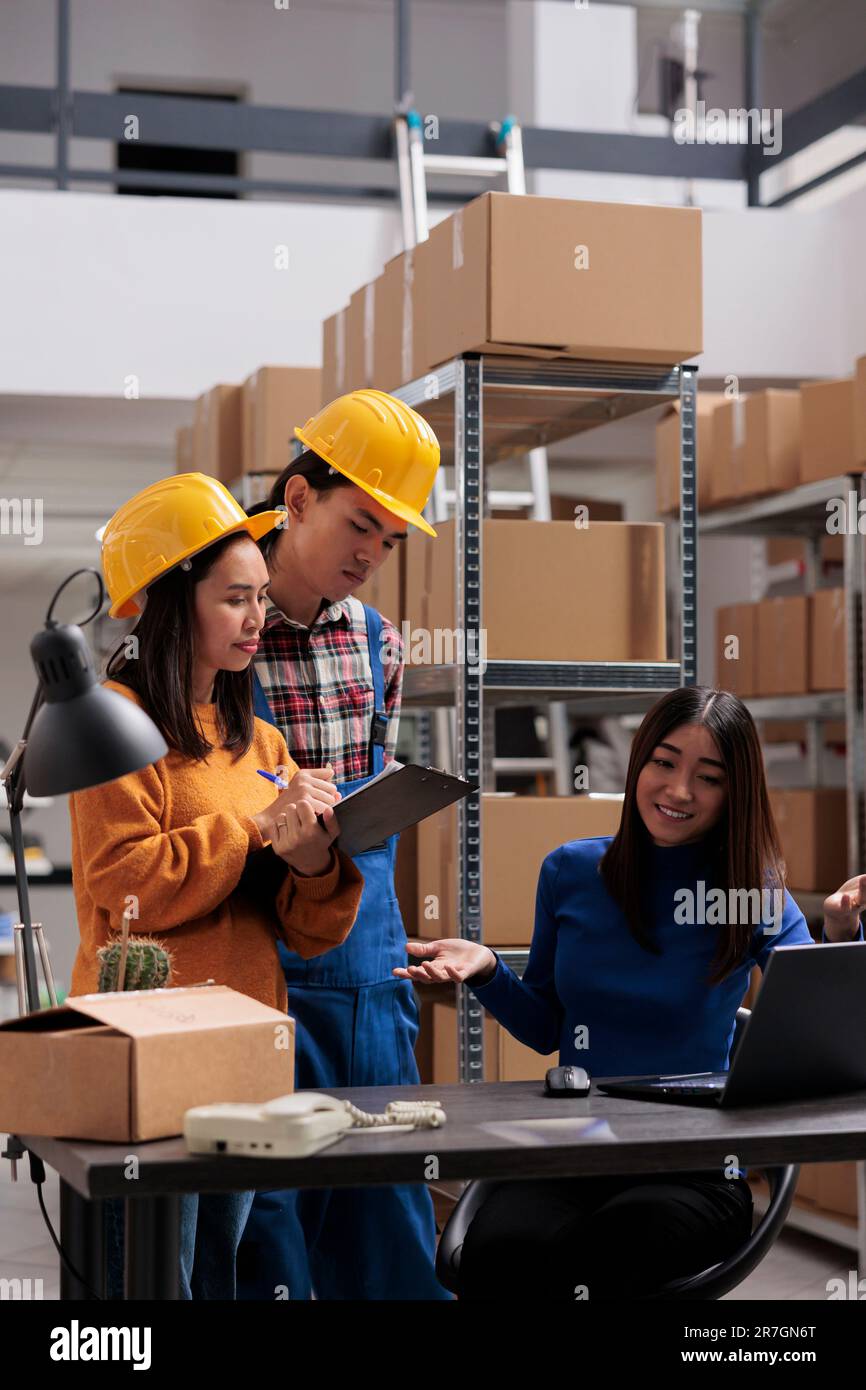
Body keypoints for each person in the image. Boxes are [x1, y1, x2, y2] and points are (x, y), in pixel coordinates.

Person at [396, 685, 866, 1301]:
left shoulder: (753, 893)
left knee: (605, 1256)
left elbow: (821, 1027)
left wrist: (841, 931)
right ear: (639, 761)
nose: (678, 790)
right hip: (574, 1153)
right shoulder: (570, 871)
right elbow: (545, 1028)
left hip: (695, 1170)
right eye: (664, 763)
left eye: (708, 777)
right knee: (497, 1255)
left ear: (735, 793)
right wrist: (488, 971)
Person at [69, 473, 364, 1299]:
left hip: (241, 1056)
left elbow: (307, 931)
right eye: (236, 598)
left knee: (212, 1281)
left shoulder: (257, 737)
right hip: (149, 1062)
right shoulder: (114, 724)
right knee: (151, 1289)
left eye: (262, 598)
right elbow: (129, 888)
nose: (257, 619)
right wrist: (253, 830)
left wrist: (312, 859)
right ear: (175, 601)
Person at [236, 388, 452, 1300]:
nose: (371, 554)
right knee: (259, 1182)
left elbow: (369, 773)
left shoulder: (380, 644)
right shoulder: (216, 620)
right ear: (295, 500)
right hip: (243, 920)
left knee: (377, 1175)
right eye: (360, 523)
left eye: (391, 539)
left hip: (359, 931)